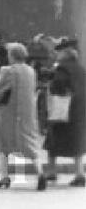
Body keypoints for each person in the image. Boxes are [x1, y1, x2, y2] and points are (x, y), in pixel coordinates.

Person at [0, 41, 44, 189]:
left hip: (8, 113)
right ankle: (40, 173)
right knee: (30, 145)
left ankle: (4, 177)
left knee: (2, 144)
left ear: (11, 56)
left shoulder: (8, 71)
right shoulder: (31, 71)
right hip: (27, 114)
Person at [40, 40, 86, 188]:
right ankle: (79, 173)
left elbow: (58, 85)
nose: (57, 55)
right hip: (80, 110)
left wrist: (50, 79)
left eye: (59, 52)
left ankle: (52, 171)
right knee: (77, 143)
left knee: (53, 141)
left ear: (65, 54)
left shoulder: (62, 68)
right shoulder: (80, 68)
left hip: (63, 110)